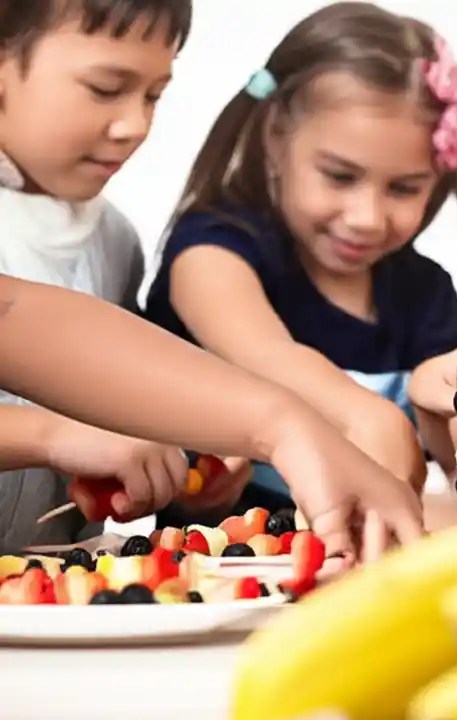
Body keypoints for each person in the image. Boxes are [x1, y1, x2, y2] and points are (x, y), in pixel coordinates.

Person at [0, 0, 422, 560]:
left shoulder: (115, 241)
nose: (135, 126)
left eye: (154, 95)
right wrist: (51, 438)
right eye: (104, 88)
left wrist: (186, 456)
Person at [143, 2, 457, 514]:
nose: (367, 217)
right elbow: (268, 356)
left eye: (404, 188)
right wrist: (373, 417)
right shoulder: (213, 251)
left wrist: (451, 409)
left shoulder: (422, 291)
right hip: (201, 569)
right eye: (340, 176)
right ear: (276, 138)